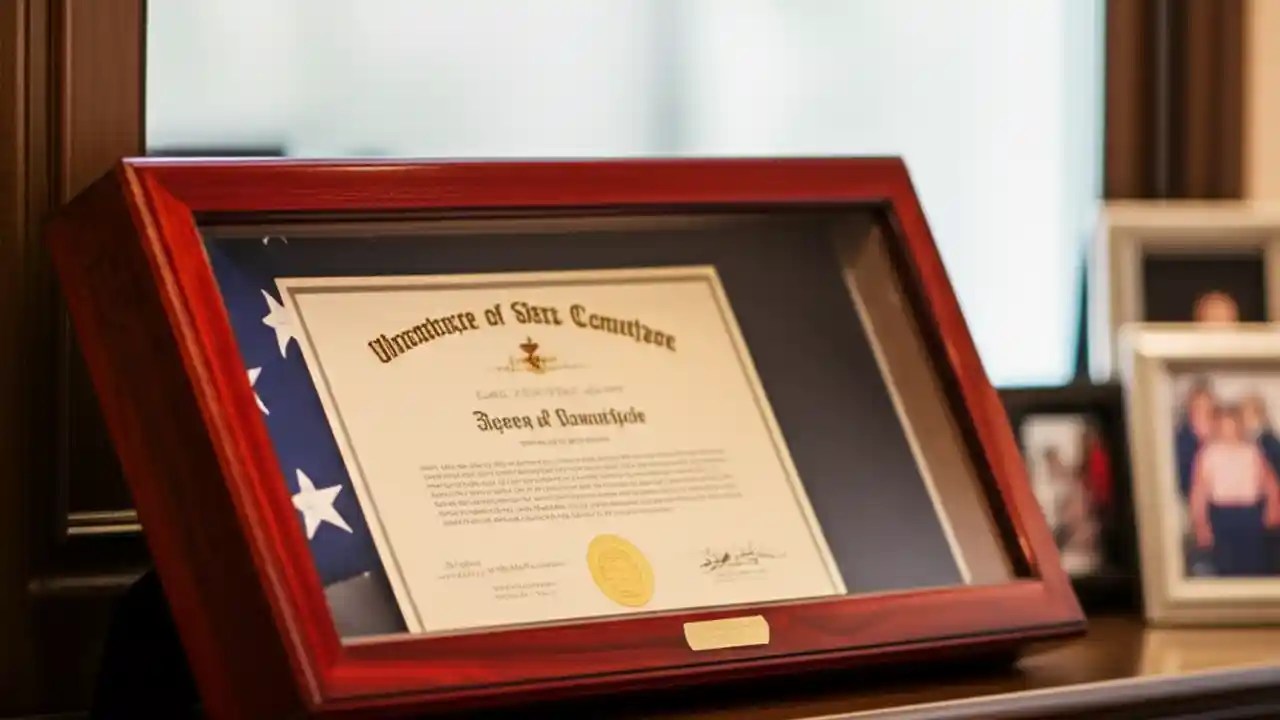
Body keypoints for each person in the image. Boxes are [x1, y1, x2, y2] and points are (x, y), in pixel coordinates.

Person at [1189, 405, 1280, 577]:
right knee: (1226, 564)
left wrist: (1273, 508)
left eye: (1233, 425)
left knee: (1255, 563)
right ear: (1217, 427)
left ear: (1240, 426)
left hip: (1250, 514)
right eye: (1224, 426)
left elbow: (1271, 484)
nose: (1229, 431)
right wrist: (1201, 524)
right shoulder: (1208, 454)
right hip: (1222, 515)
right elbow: (1199, 492)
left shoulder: (1252, 451)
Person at [1040, 448, 1100, 576]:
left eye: (1054, 463)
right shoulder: (1061, 485)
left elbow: (1075, 512)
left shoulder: (1074, 485)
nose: (1053, 469)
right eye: (1051, 464)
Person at [1176, 381, 1216, 499]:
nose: (1203, 413)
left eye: (1208, 409)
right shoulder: (1182, 438)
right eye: (1198, 408)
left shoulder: (1220, 434)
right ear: (1190, 409)